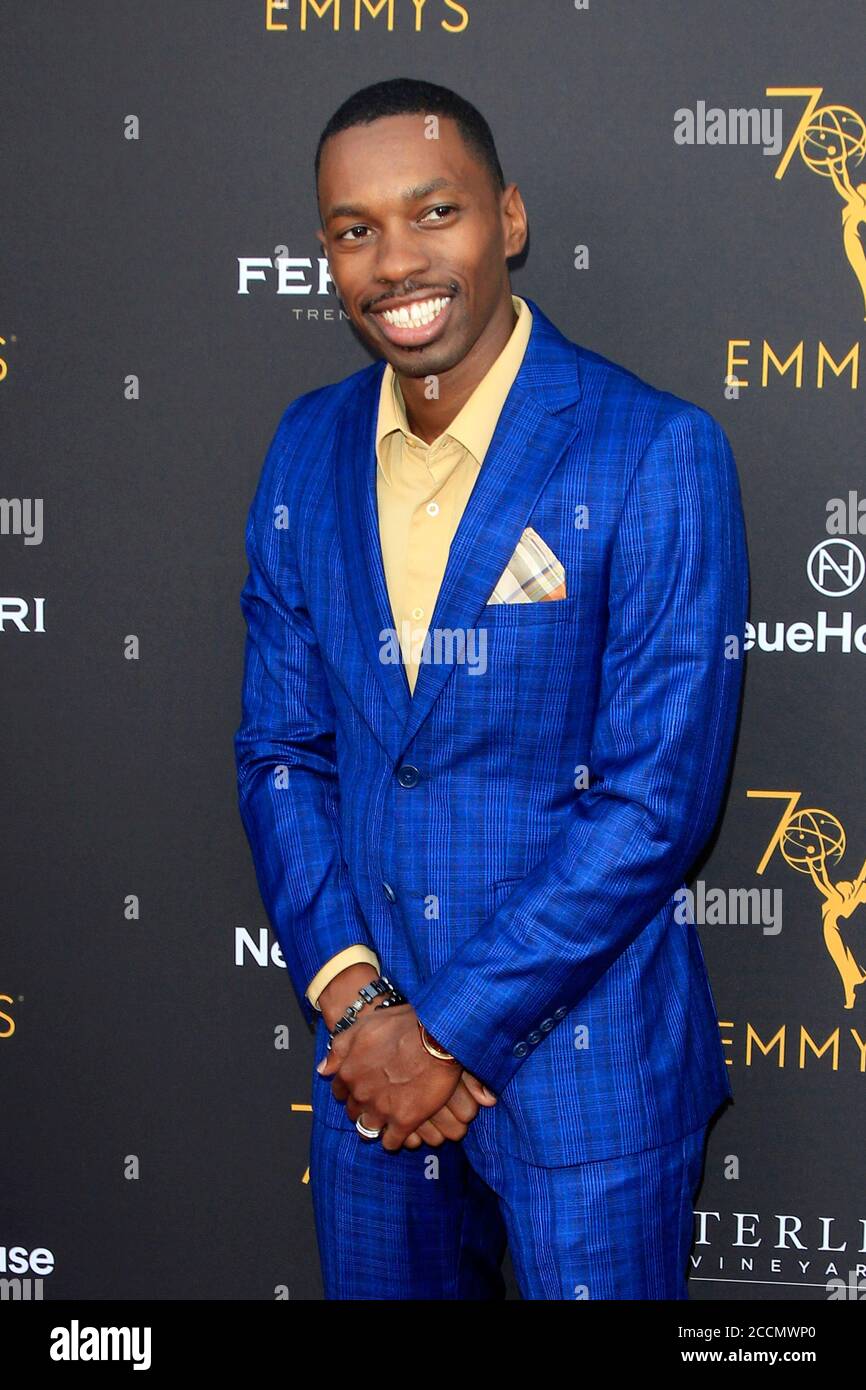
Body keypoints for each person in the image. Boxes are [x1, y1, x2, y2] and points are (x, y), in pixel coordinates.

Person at [234, 76, 749, 1300]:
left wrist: (443, 1030)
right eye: (355, 230)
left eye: (433, 213)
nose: (395, 261)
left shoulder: (652, 449)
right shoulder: (303, 447)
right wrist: (362, 1008)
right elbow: (283, 750)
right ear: (326, 256)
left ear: (506, 220)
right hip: (367, 1088)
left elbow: (651, 803)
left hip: (589, 1083)